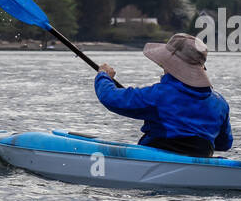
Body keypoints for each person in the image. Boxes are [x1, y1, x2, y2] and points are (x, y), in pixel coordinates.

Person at [95, 33, 232, 157]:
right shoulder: (220, 104)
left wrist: (104, 76)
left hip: (156, 161)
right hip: (200, 160)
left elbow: (110, 97)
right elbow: (224, 144)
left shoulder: (159, 95)